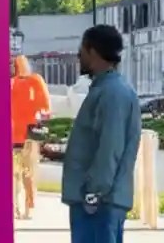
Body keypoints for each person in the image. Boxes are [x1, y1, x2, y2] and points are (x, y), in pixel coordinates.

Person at [62, 25, 140, 243]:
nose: (79, 56)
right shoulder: (108, 90)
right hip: (100, 203)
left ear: (93, 51)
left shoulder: (112, 93)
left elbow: (110, 148)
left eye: (82, 50)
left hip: (98, 205)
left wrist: (93, 194)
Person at [12, 55, 52, 218]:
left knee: (23, 172)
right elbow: (46, 108)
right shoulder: (18, 83)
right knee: (22, 173)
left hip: (24, 135)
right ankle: (21, 207)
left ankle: (25, 206)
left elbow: (45, 107)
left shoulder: (33, 81)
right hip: (22, 134)